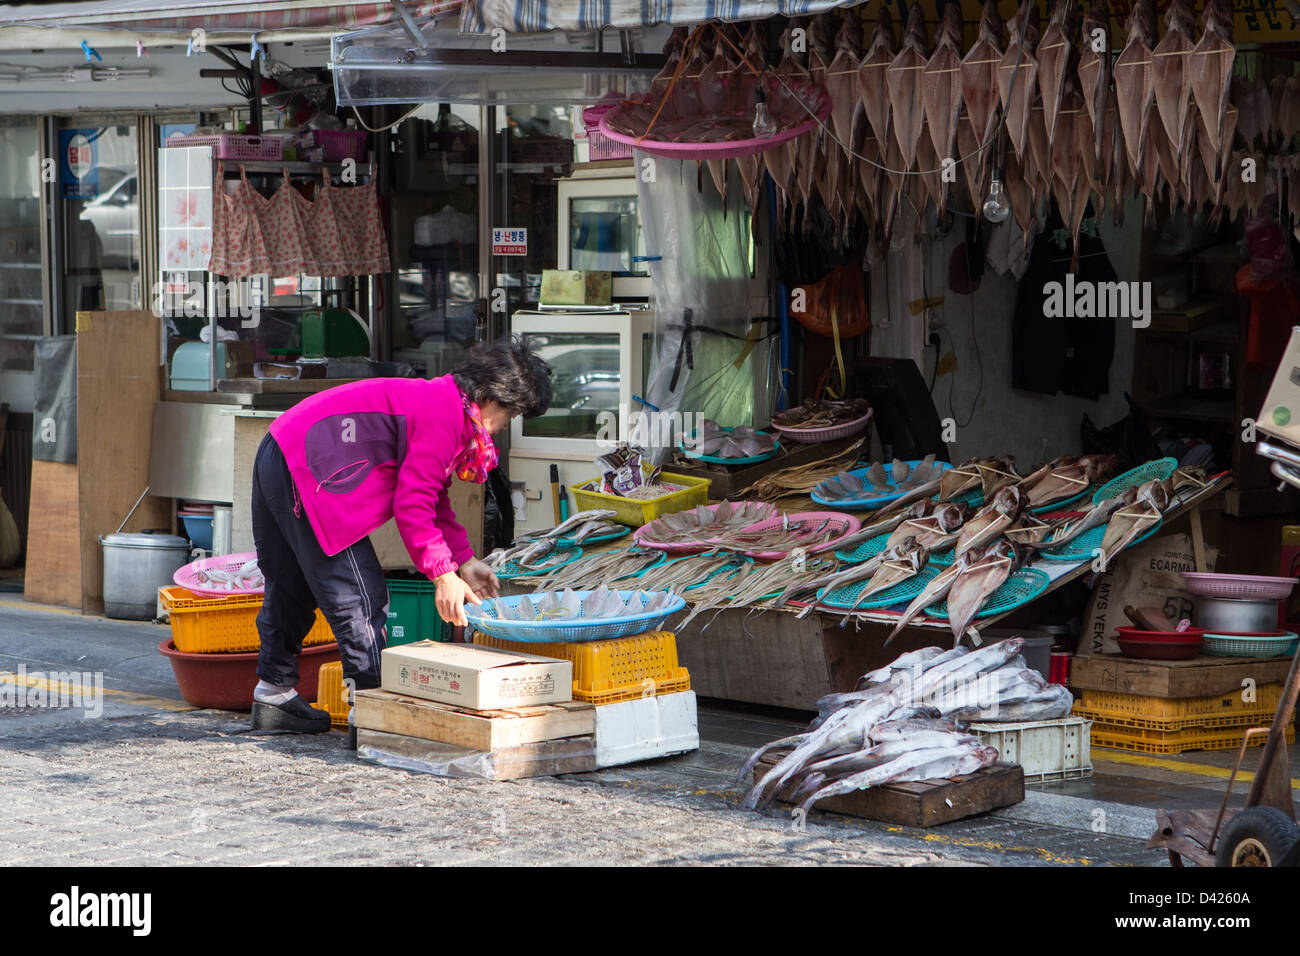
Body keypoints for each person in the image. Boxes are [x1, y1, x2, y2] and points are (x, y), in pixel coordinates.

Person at [248, 337, 552, 734]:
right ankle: (371, 709)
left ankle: (274, 695)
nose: (503, 426)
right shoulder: (444, 413)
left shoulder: (446, 402)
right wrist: (443, 574)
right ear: (494, 398)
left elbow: (432, 495)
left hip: (283, 448)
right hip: (307, 463)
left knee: (292, 585)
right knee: (358, 595)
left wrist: (464, 560)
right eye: (510, 416)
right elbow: (413, 505)